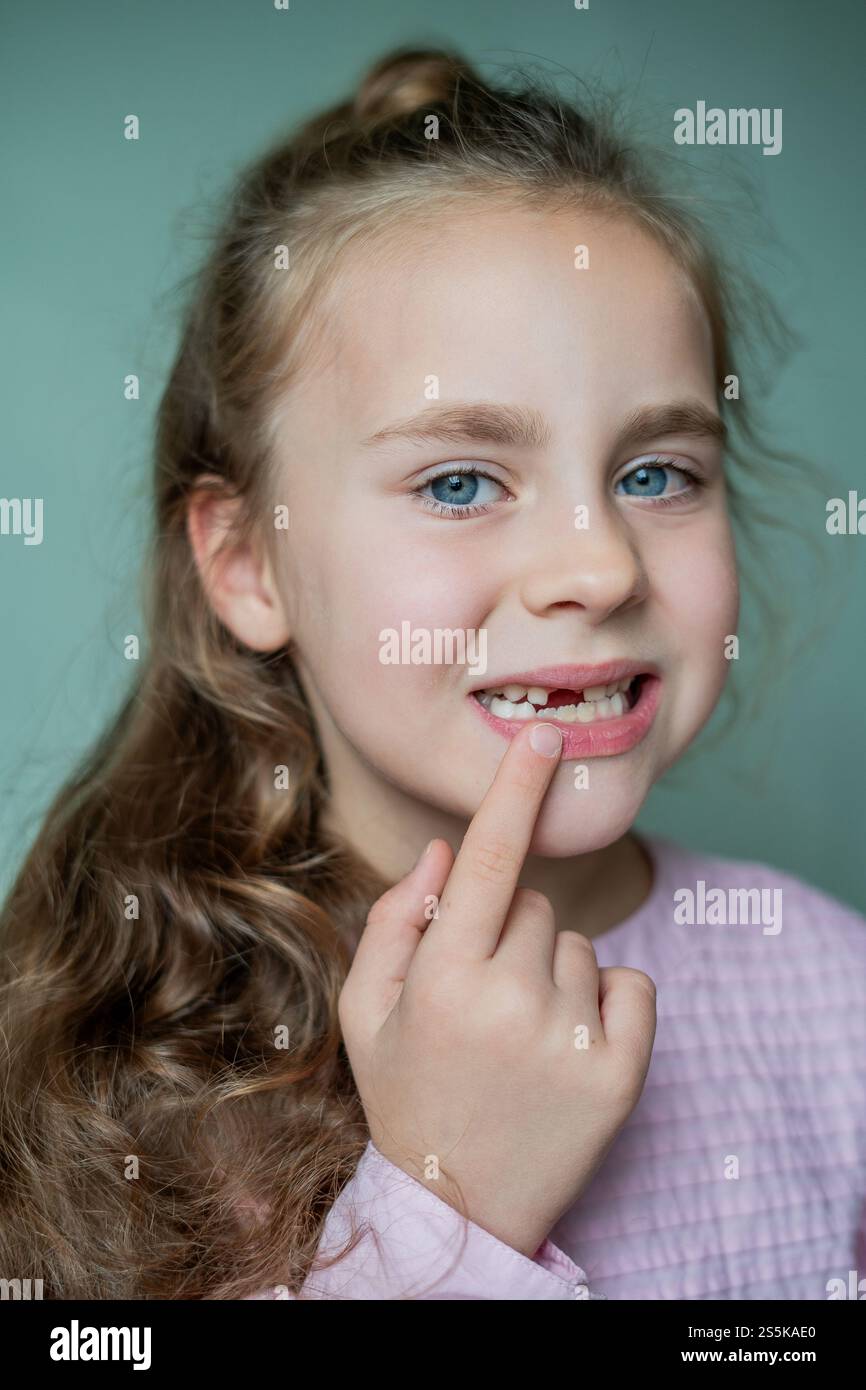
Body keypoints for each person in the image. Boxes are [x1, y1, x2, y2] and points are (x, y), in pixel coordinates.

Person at [2, 45, 864, 1302]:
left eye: (655, 473)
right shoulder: (131, 1070)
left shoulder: (828, 990)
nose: (598, 564)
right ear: (249, 564)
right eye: (459, 481)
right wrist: (448, 1202)